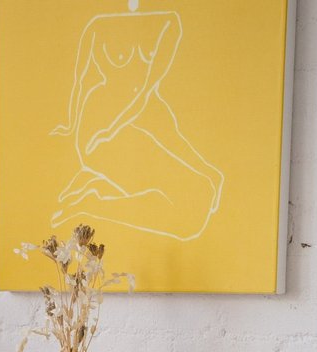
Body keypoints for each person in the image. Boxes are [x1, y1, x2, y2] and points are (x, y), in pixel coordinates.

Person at [51, 0, 224, 241]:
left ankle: (98, 191)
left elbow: (151, 106)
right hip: (99, 126)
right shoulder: (97, 26)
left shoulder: (169, 22)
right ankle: (91, 203)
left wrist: (208, 171)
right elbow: (79, 81)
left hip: (128, 121)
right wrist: (73, 125)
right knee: (188, 218)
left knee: (201, 193)